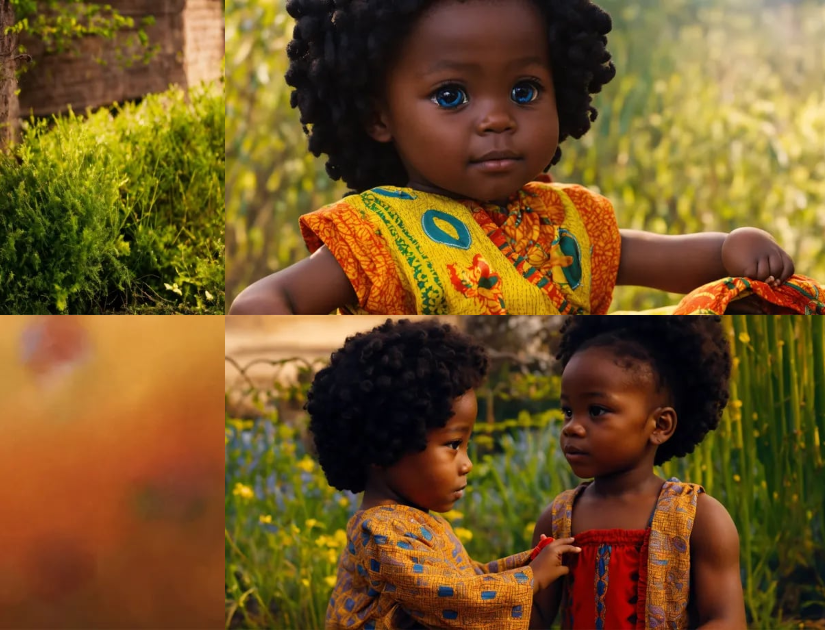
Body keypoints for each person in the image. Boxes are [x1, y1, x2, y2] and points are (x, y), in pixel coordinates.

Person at [229, 0, 824, 315]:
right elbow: (270, 298)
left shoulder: (571, 221)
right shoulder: (377, 234)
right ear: (378, 117)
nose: (496, 118)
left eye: (524, 90)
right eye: (452, 96)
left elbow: (672, 259)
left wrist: (729, 247)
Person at [308, 319, 580, 629]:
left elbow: (467, 577)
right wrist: (531, 577)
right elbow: (452, 598)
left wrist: (527, 561)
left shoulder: (407, 520)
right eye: (453, 445)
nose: (467, 464)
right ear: (385, 445)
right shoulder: (382, 532)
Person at [531, 316, 746, 629]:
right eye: (568, 411)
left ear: (660, 425)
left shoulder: (699, 519)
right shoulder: (558, 519)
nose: (572, 427)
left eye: (596, 411)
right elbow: (535, 616)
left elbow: (726, 620)